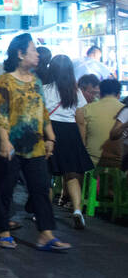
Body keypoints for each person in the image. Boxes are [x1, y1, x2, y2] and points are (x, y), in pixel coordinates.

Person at [0, 33, 67, 251]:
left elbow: (42, 111)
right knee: (6, 188)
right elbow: (0, 114)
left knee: (40, 188)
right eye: (33, 50)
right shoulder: (5, 81)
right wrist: (5, 141)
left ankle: (46, 233)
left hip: (35, 145)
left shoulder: (36, 81)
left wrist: (50, 136)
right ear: (20, 53)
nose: (37, 53)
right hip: (11, 144)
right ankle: (2, 230)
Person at [43, 54, 95, 227]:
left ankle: (46, 212)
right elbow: (80, 120)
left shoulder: (45, 89)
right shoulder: (76, 92)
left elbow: (41, 117)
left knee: (48, 174)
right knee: (72, 175)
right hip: (71, 132)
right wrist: (81, 142)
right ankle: (77, 210)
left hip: (51, 132)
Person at [84, 78, 125, 167]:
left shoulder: (87, 109)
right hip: (119, 163)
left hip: (92, 162)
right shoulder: (125, 110)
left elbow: (82, 139)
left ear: (100, 93)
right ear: (118, 95)